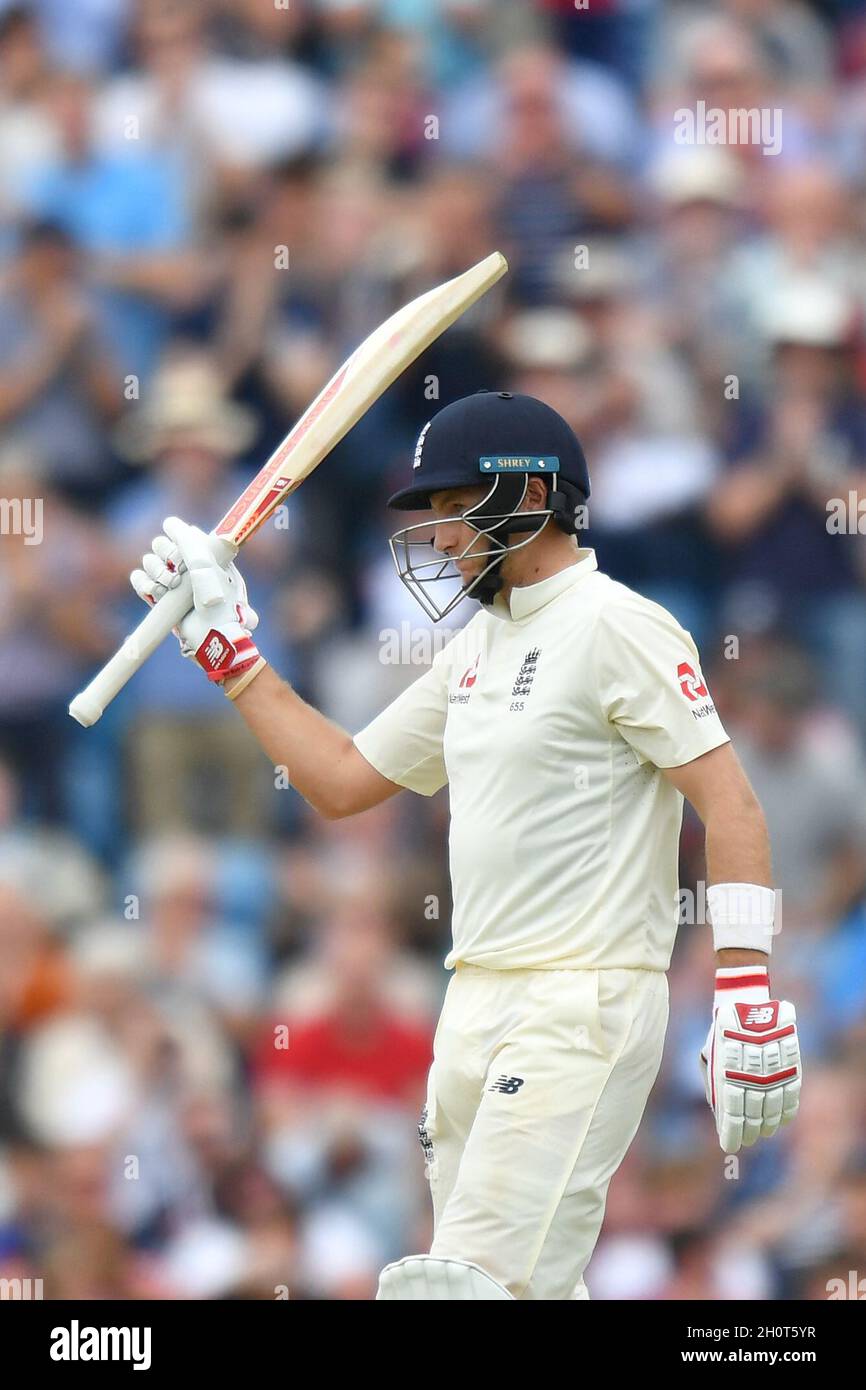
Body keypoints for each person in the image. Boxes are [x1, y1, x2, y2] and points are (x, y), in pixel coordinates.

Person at [130, 389, 802, 1301]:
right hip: (475, 997)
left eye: (453, 509)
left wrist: (743, 986)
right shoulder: (477, 646)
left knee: (455, 1290)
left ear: (529, 499)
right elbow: (339, 780)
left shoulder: (620, 625)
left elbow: (733, 807)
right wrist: (227, 651)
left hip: (582, 1001)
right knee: (525, 1292)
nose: (440, 537)